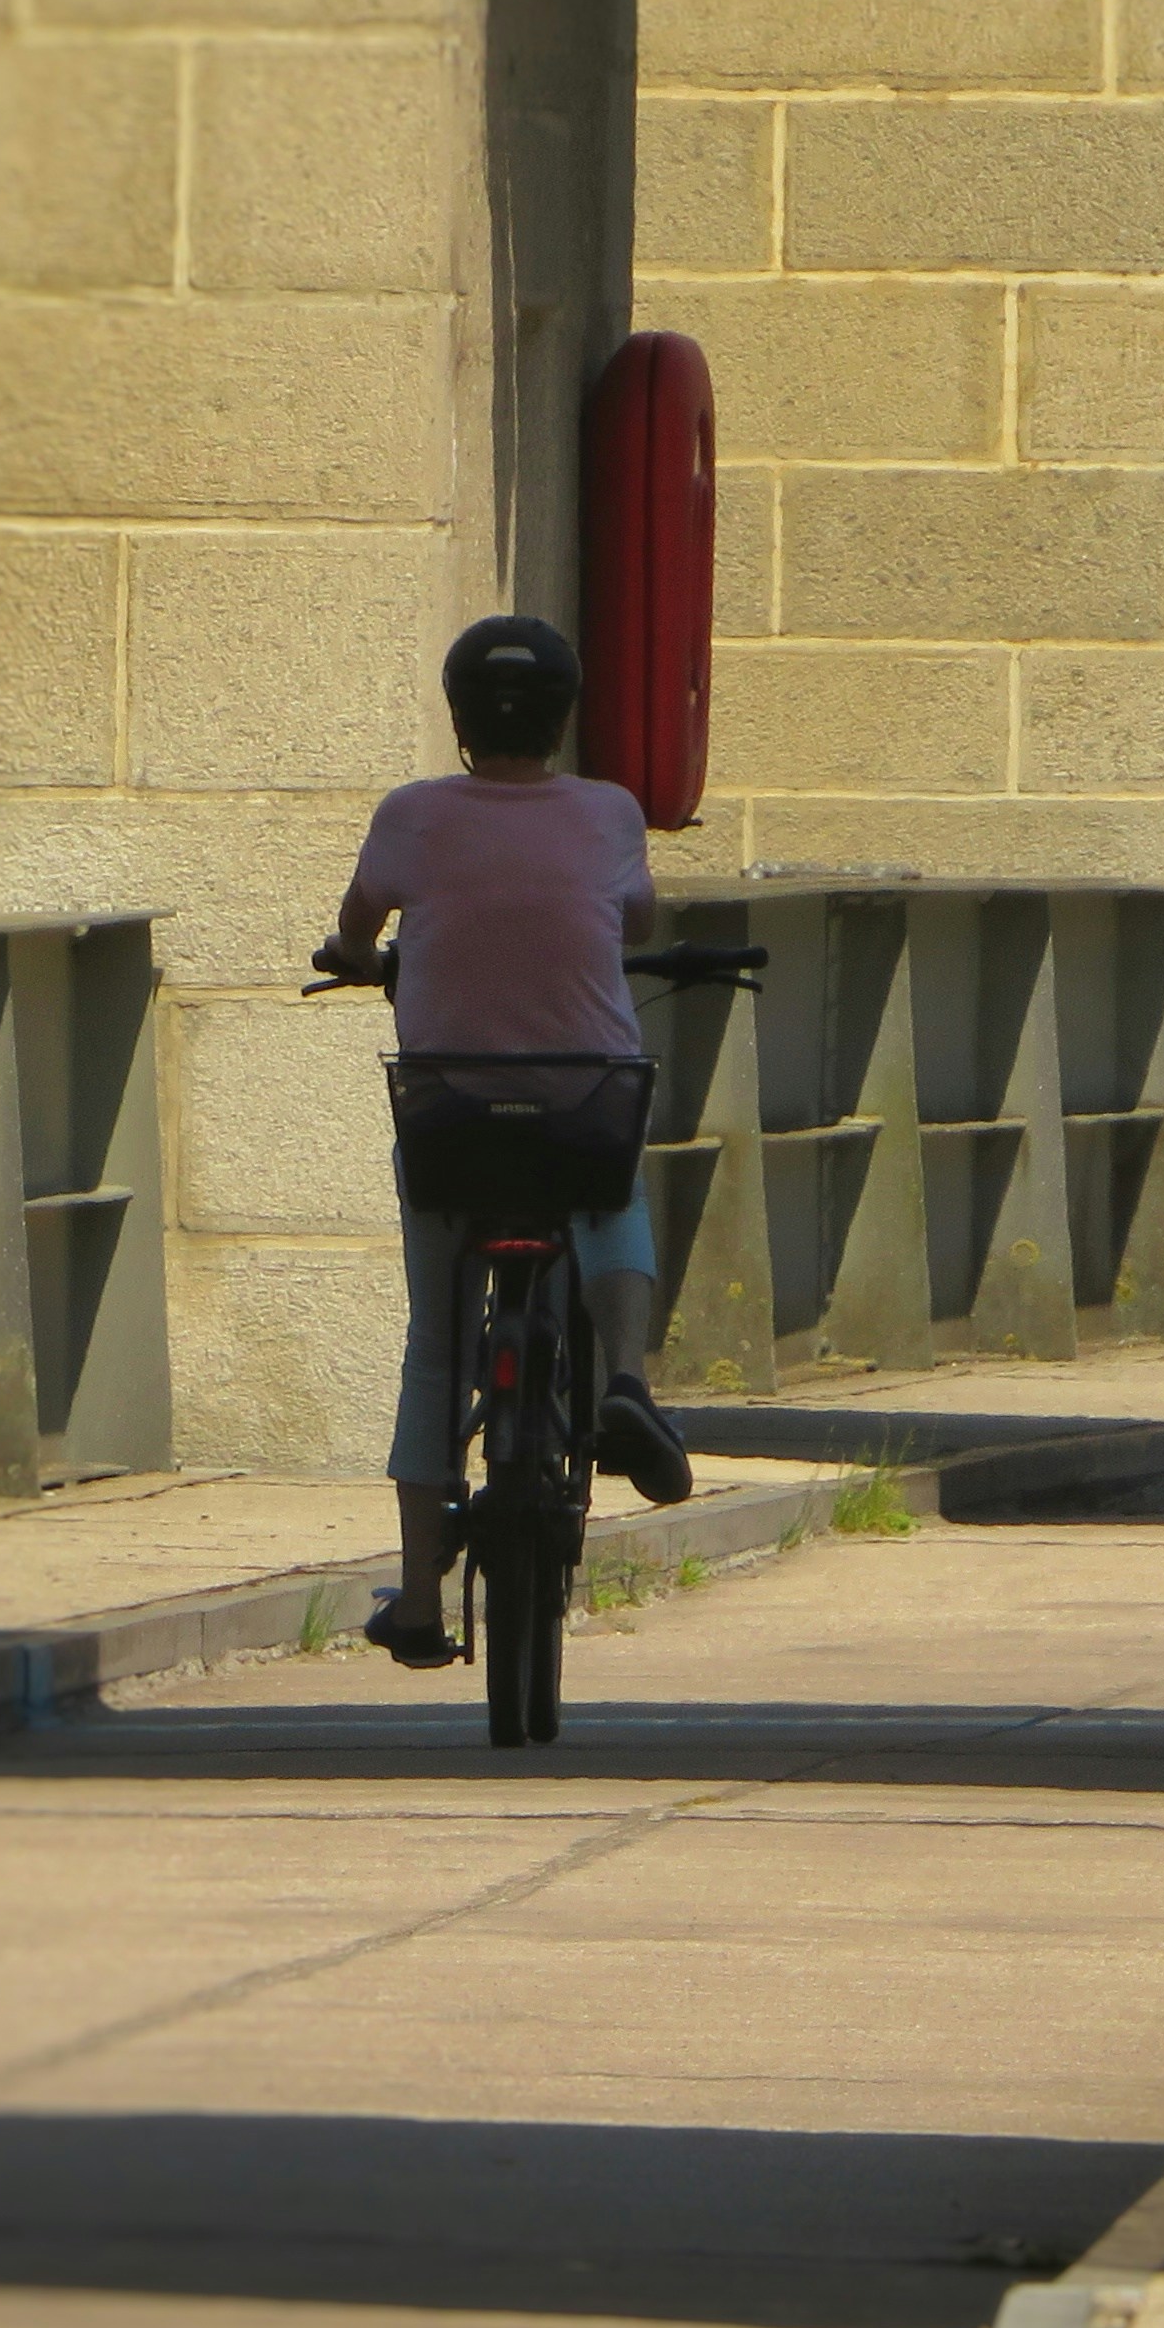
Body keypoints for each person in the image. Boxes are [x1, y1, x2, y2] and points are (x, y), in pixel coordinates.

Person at [312, 615, 702, 1668]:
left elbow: (355, 927)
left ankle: (425, 1605)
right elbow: (636, 925)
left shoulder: (412, 816)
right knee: (613, 1195)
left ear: (460, 718)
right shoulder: (609, 813)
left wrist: (356, 954)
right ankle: (625, 1377)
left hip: (451, 1116)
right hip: (582, 1107)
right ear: (565, 716)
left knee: (436, 1340)